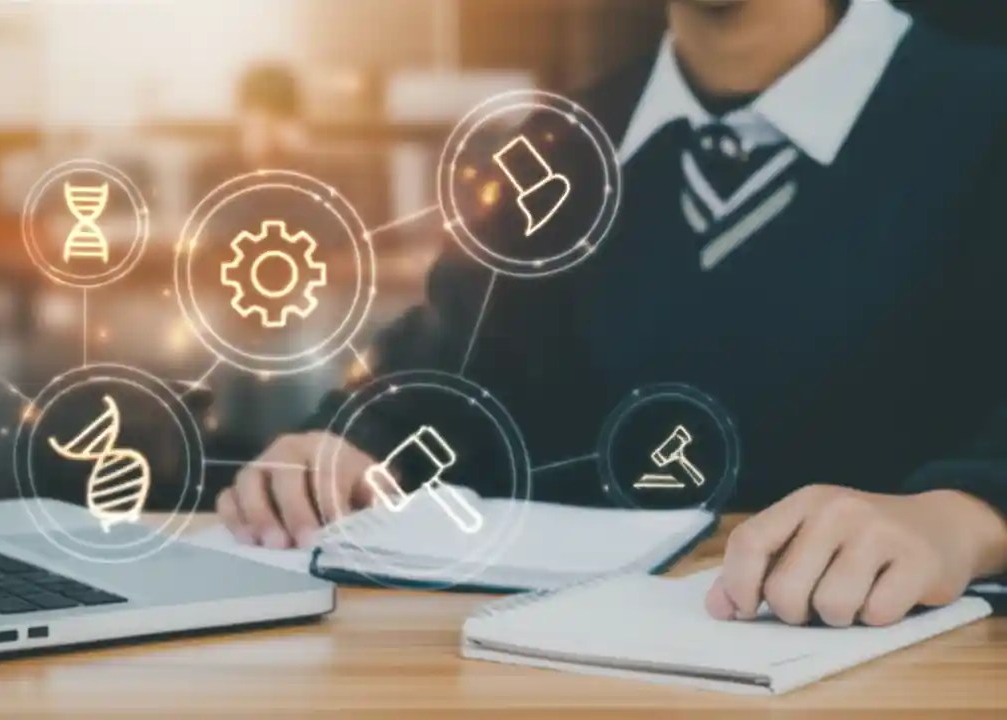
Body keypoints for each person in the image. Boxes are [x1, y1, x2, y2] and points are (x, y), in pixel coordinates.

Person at [218, 0, 1007, 628]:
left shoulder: (982, 115)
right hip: (575, 662)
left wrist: (968, 519)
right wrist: (345, 445)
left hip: (883, 662)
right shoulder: (560, 148)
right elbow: (448, 375)